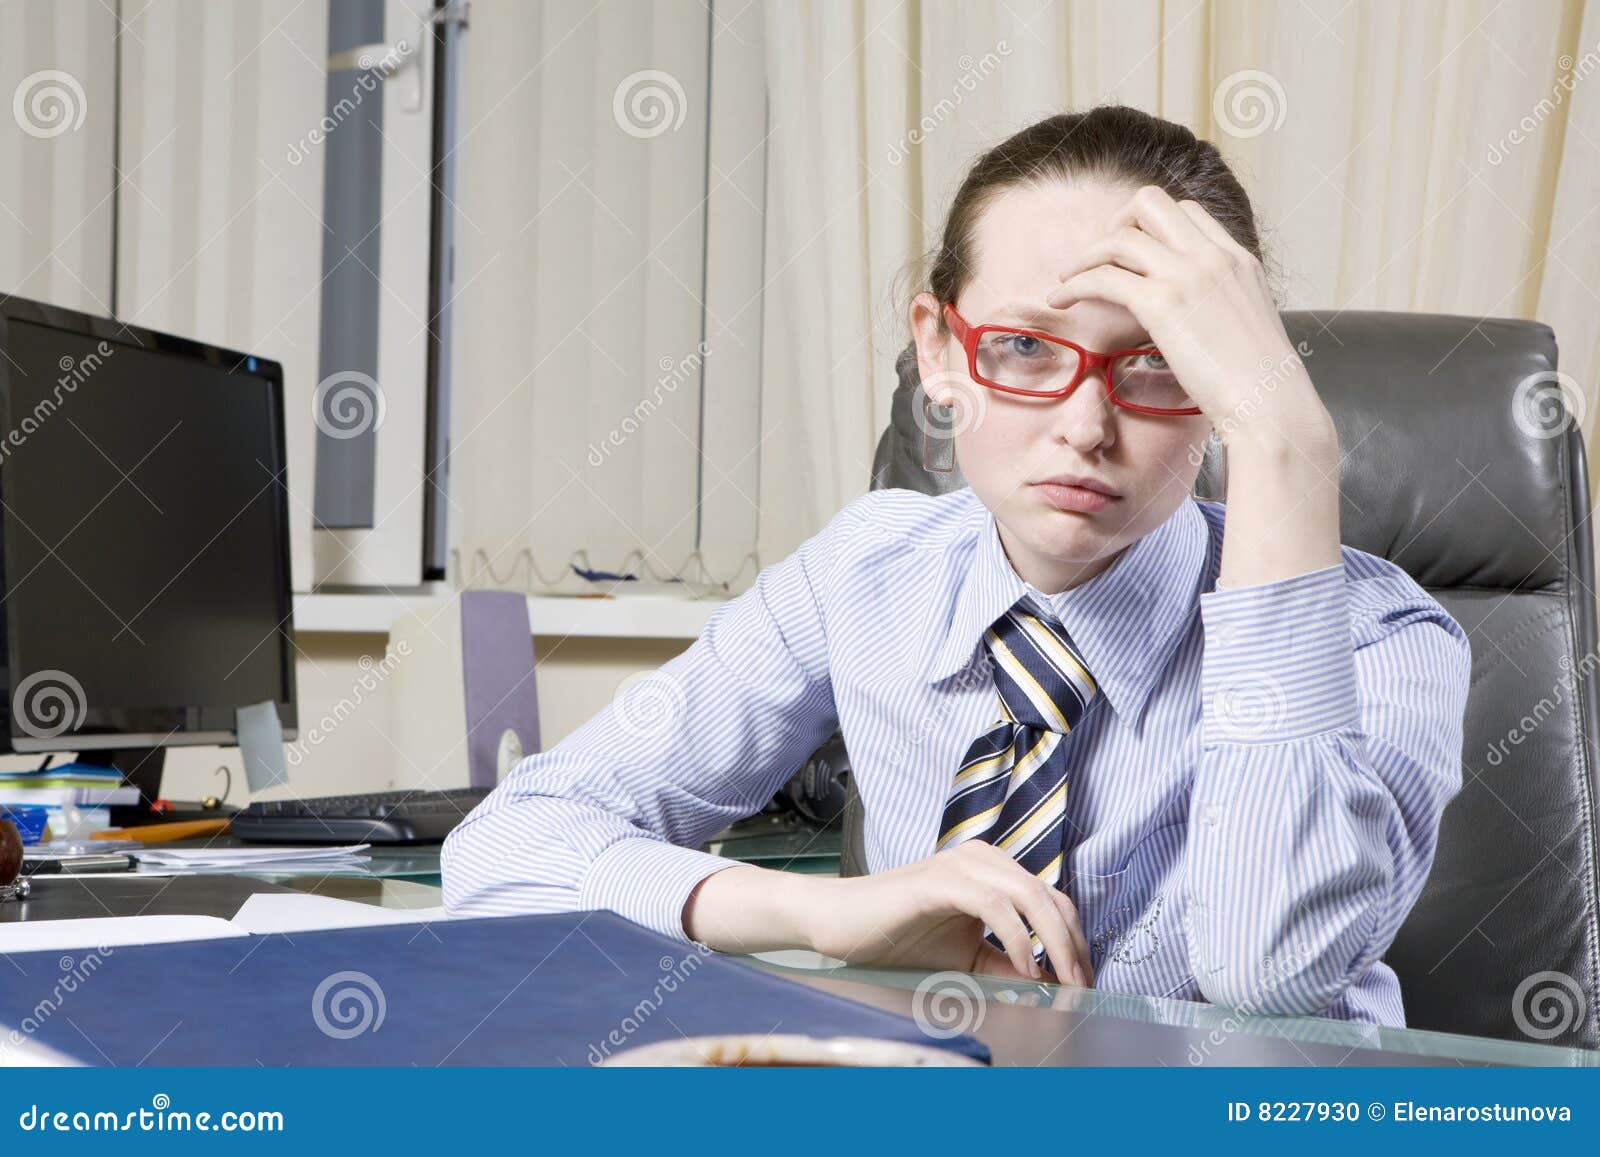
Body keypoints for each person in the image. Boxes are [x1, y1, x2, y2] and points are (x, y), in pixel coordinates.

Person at [442, 105, 1471, 1024]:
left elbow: (1270, 973)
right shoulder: (865, 573)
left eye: (1157, 360)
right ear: (938, 351)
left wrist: (1286, 439)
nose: (1085, 427)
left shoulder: (1378, 636)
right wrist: (823, 912)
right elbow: (503, 845)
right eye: (1024, 347)